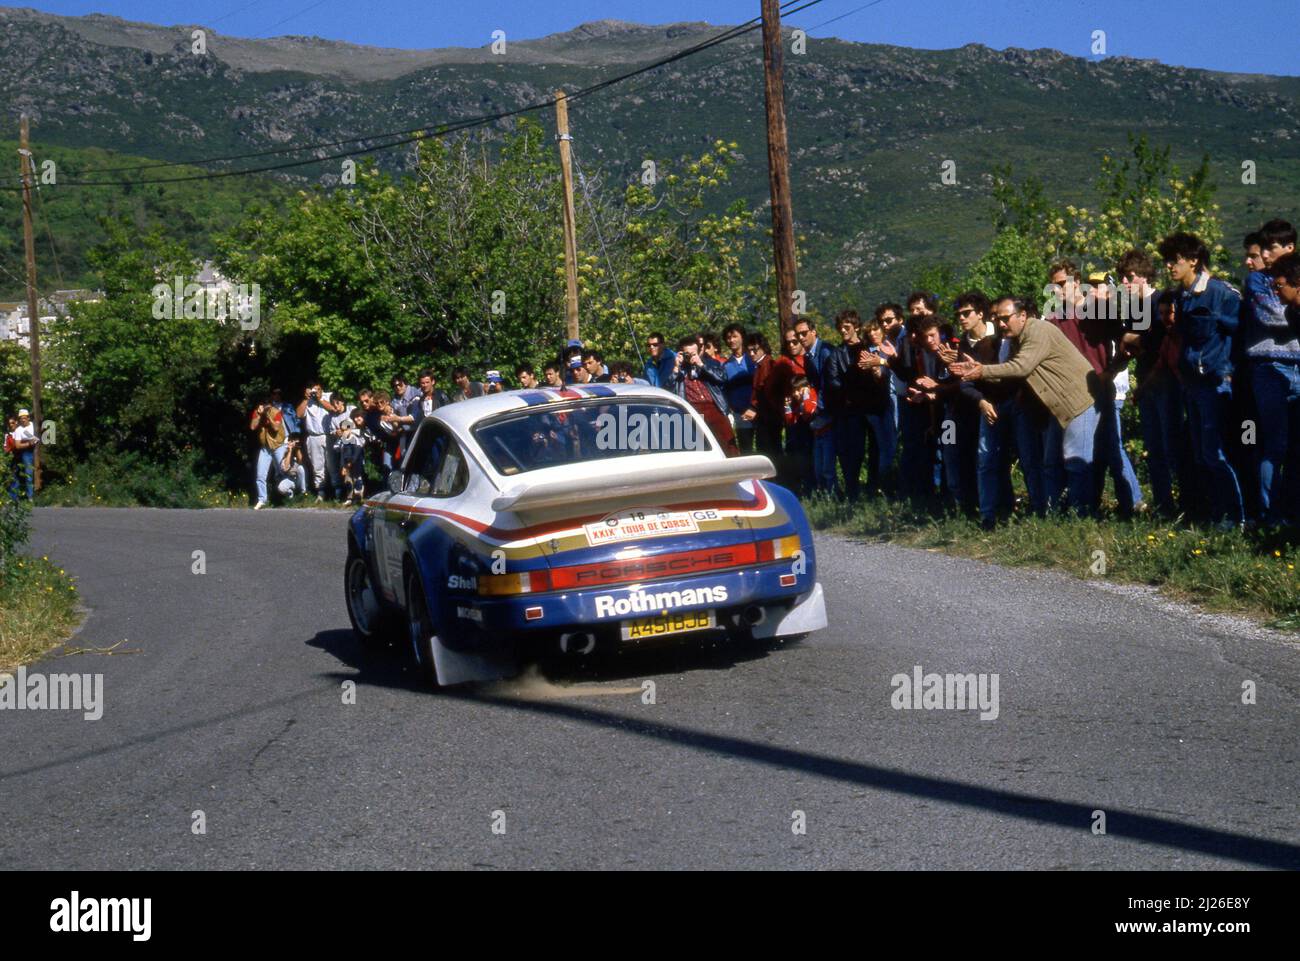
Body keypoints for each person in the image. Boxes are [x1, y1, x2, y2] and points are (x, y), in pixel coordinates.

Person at [949, 297, 1100, 516]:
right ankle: (1052, 515)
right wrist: (976, 373)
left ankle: (1082, 517)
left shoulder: (1037, 330)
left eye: (1005, 318)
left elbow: (1021, 367)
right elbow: (1010, 373)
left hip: (1079, 403)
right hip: (1058, 408)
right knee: (1050, 464)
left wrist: (982, 371)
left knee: (1076, 462)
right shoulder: (1016, 337)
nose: (1001, 324)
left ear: (1022, 316)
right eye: (998, 319)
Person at [1159, 231, 1245, 528]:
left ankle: (1234, 518)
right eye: (1167, 261)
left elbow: (1239, 332)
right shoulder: (1183, 296)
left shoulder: (1221, 292)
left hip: (1214, 381)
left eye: (1175, 260)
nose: (1170, 266)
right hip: (1192, 384)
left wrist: (1228, 372)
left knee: (1216, 453)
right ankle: (1213, 514)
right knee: (1200, 454)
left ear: (1194, 260)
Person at [1243, 220, 1300, 526]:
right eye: (1262, 248)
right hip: (1268, 366)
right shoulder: (1257, 281)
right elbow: (1271, 314)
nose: (1264, 254)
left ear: (1289, 248)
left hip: (1298, 366)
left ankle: (1292, 511)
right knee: (1273, 444)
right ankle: (1269, 514)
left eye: (1271, 248)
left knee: (1296, 446)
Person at [826, 309, 887, 499]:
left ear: (857, 327)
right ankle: (853, 491)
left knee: (877, 449)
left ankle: (875, 488)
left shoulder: (869, 348)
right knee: (853, 452)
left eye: (847, 327)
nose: (843, 331)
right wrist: (851, 390)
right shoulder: (837, 353)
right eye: (840, 328)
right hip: (851, 410)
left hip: (873, 407)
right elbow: (833, 381)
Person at [668, 335, 738, 456]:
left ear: (699, 351)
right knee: (702, 449)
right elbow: (667, 388)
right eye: (686, 354)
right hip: (693, 410)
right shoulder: (679, 370)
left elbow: (722, 378)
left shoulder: (710, 364)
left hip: (715, 407)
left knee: (728, 445)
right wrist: (676, 368)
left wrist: (701, 365)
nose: (690, 357)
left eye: (693, 353)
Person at [793, 317, 836, 492]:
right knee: (820, 460)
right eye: (798, 335)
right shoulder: (809, 357)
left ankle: (833, 493)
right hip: (819, 412)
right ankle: (824, 492)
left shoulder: (825, 352)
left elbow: (829, 384)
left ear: (813, 332)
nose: (801, 338)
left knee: (828, 460)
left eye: (804, 333)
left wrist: (818, 408)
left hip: (830, 412)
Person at [742, 332, 783, 461]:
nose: (752, 354)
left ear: (763, 347)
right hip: (766, 417)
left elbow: (766, 394)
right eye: (749, 351)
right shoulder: (761, 365)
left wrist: (755, 410)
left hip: (768, 419)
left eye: (755, 350)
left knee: (769, 454)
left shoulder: (767, 365)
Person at [722, 324, 756, 453]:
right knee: (746, 449)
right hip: (740, 415)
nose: (732, 340)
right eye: (729, 338)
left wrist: (755, 408)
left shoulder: (753, 359)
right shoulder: (726, 365)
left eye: (735, 336)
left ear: (742, 337)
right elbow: (726, 391)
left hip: (759, 411)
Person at [297, 381, 333, 501]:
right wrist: (306, 399)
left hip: (328, 435)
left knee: (332, 465)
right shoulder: (307, 401)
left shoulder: (329, 396)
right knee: (317, 467)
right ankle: (320, 493)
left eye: (317, 389)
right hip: (313, 437)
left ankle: (338, 492)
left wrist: (320, 399)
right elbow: (299, 414)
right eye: (313, 390)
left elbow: (333, 408)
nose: (315, 392)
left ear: (321, 389)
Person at [249, 397, 287, 509]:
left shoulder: (276, 412)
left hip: (278, 446)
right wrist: (260, 416)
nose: (263, 407)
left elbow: (276, 427)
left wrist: (268, 416)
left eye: (265, 405)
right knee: (260, 474)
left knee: (282, 471)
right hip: (265, 448)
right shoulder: (257, 413)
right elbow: (252, 427)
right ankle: (262, 499)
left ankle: (288, 495)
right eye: (261, 405)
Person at [10, 409, 37, 500]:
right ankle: (19, 497)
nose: (22, 420)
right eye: (21, 418)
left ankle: (30, 496)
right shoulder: (19, 430)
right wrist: (29, 444)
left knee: (30, 474)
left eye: (24, 418)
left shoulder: (34, 426)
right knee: (24, 474)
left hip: (35, 451)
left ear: (28, 418)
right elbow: (17, 445)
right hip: (25, 453)